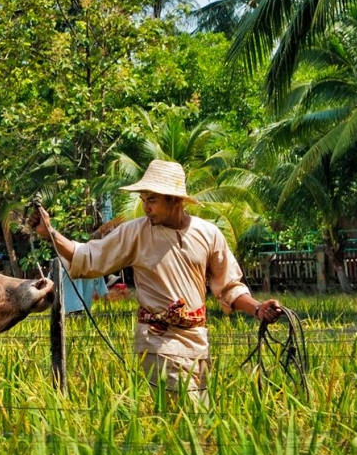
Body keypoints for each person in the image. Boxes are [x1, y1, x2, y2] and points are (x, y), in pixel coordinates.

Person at [32, 160, 283, 403]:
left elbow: (228, 287)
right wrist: (51, 233)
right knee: (188, 414)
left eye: (152, 200)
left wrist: (258, 309)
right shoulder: (136, 232)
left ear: (175, 200)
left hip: (197, 341)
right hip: (158, 339)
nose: (146, 207)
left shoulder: (208, 233)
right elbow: (88, 256)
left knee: (198, 421)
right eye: (143, 200)